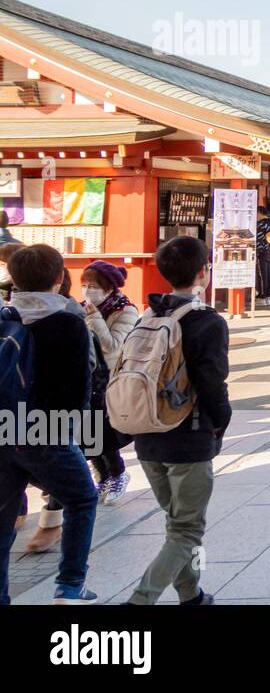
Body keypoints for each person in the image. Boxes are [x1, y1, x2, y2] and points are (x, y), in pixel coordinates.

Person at [124, 235, 231, 606]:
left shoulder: (149, 315)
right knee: (186, 530)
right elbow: (212, 382)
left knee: (175, 523)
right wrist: (222, 420)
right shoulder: (206, 321)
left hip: (147, 435)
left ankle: (191, 594)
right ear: (203, 272)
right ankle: (141, 599)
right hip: (189, 436)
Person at [0, 244, 99, 604]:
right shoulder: (67, 321)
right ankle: (69, 587)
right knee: (83, 499)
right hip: (46, 431)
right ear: (59, 278)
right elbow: (77, 391)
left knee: (2, 520)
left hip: (3, 428)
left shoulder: (4, 315)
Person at [79, 259, 138, 504]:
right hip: (89, 378)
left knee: (103, 432)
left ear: (108, 287)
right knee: (87, 431)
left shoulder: (126, 311)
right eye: (84, 284)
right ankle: (102, 475)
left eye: (93, 285)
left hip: (112, 380)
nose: (88, 290)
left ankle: (118, 473)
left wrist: (94, 318)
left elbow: (112, 347)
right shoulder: (85, 308)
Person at [255, 205, 270, 305]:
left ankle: (262, 297)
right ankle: (268, 297)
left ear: (259, 213)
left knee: (261, 275)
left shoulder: (260, 224)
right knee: (268, 274)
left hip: (260, 251)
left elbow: (255, 237)